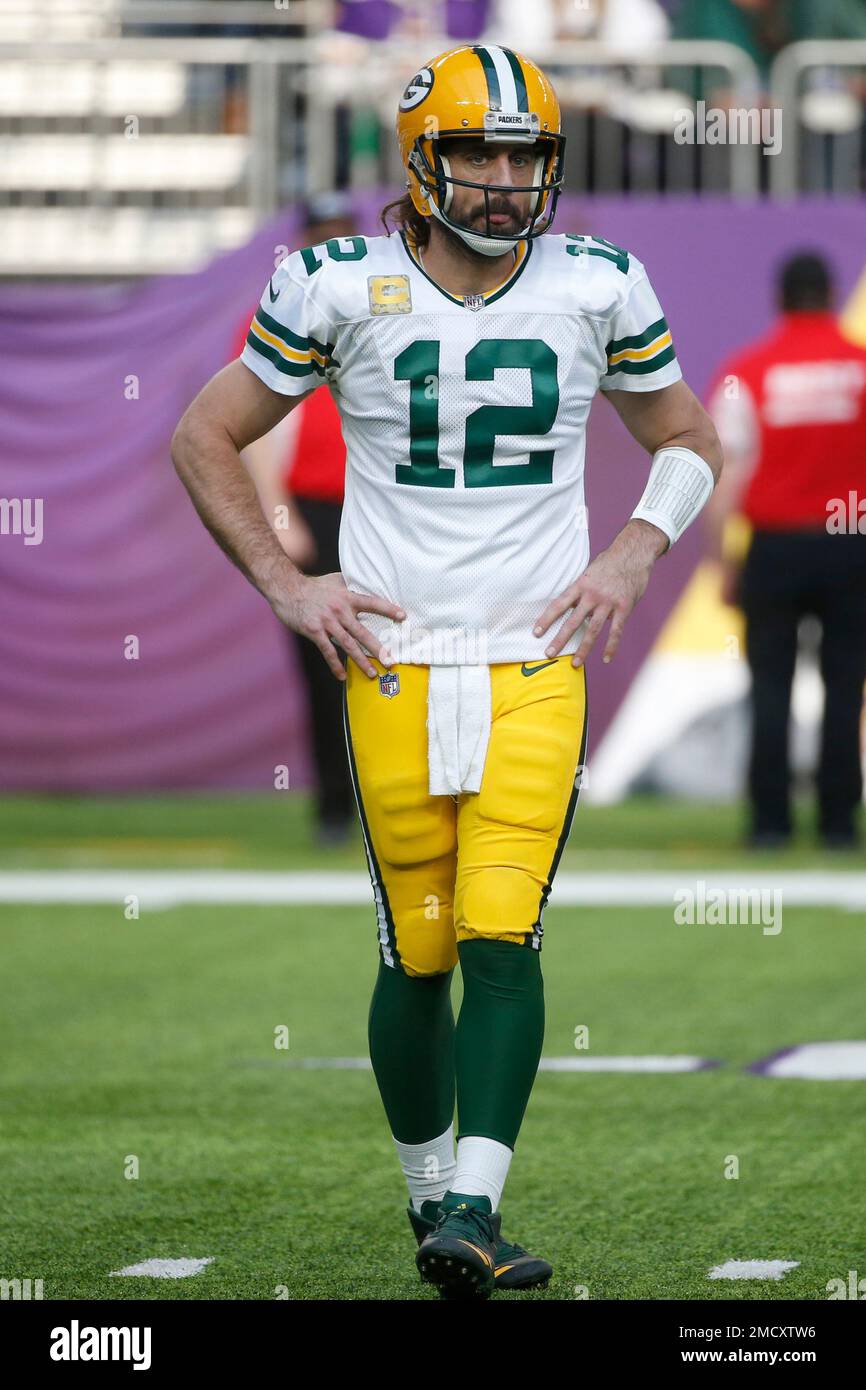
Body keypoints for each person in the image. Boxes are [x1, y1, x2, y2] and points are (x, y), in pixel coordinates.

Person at [171, 43, 722, 1300]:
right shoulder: (329, 284)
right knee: (413, 952)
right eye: (474, 153)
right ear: (419, 164)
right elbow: (204, 434)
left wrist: (635, 550)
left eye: (520, 155)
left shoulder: (597, 283)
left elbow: (684, 434)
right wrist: (284, 582)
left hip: (536, 653)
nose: (498, 179)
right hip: (393, 656)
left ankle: (473, 1200)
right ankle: (433, 1205)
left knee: (502, 936)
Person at [707, 252, 866, 850]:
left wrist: (721, 560)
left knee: (769, 686)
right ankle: (838, 825)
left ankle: (770, 824)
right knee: (846, 685)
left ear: (780, 299)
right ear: (830, 295)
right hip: (853, 546)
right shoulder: (862, 367)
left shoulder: (750, 371)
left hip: (774, 549)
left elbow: (727, 472)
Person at [236, 193, 358, 844]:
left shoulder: (383, 305)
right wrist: (280, 513)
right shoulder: (280, 314)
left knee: (401, 659)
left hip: (384, 507)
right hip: (312, 504)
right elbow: (249, 428)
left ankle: (394, 806)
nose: (330, 247)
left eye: (342, 234)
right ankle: (336, 811)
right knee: (325, 662)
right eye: (321, 235)